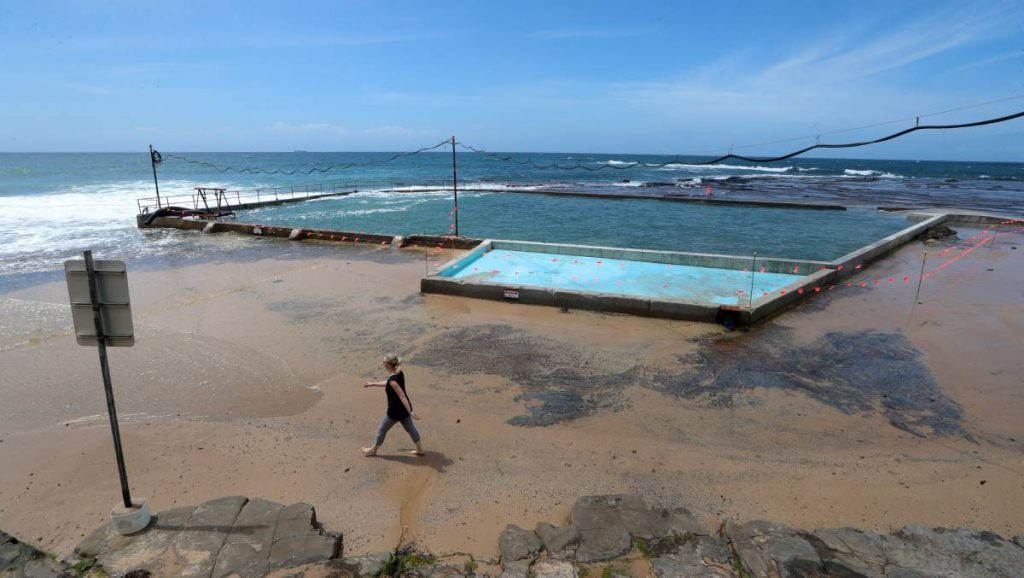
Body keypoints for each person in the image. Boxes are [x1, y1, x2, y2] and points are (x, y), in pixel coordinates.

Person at [362, 354, 424, 457]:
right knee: (410, 429)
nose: (383, 365)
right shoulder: (398, 373)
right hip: (404, 409)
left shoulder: (393, 380)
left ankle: (374, 450)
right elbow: (390, 383)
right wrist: (373, 383)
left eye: (384, 364)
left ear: (389, 365)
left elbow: (401, 395)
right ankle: (420, 450)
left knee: (382, 429)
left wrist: (411, 412)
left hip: (395, 412)